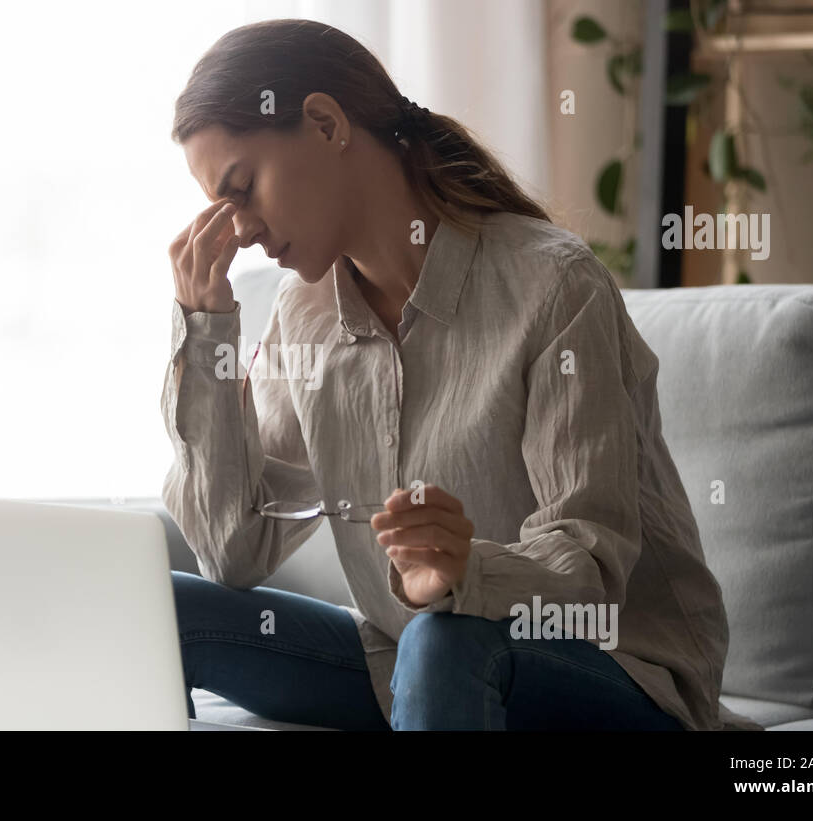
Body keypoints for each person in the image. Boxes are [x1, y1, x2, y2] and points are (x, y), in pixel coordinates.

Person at [162, 18, 760, 731]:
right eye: (221, 207)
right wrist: (204, 335)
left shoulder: (552, 284)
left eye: (244, 186)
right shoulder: (305, 314)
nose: (243, 229)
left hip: (613, 668)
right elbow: (233, 551)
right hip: (406, 659)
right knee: (162, 606)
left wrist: (462, 573)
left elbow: (591, 559)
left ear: (324, 123)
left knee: (445, 641)